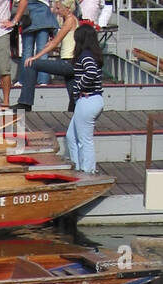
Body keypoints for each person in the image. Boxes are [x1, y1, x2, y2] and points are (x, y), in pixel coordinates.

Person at [16, 0, 79, 110]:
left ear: (68, 9)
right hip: (70, 61)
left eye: (59, 9)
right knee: (74, 98)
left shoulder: (69, 21)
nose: (57, 11)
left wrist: (35, 57)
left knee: (32, 65)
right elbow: (65, 43)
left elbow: (55, 43)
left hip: (68, 62)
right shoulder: (71, 20)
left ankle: (25, 103)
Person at [65, 19, 103, 171]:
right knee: (71, 136)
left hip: (88, 100)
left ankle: (88, 171)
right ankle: (78, 166)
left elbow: (91, 72)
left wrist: (78, 87)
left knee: (85, 140)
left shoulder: (85, 55)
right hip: (92, 100)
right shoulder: (93, 54)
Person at [17, 0, 59, 89]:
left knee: (27, 52)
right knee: (42, 51)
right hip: (43, 14)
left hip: (28, 14)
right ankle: (43, 80)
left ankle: (24, 80)